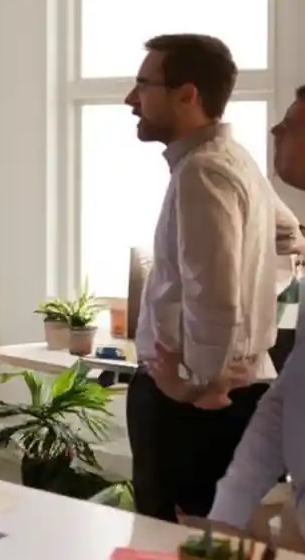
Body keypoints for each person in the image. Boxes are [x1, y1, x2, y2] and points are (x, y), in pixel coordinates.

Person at [126, 34, 303, 522]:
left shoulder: (201, 172)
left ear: (188, 95)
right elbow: (291, 237)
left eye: (143, 85)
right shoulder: (235, 159)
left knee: (175, 553)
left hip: (193, 407)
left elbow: (216, 298)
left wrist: (200, 386)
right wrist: (255, 300)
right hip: (223, 394)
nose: (130, 99)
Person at [175, 86, 305, 551]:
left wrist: (207, 377)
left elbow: (215, 294)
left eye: (293, 124)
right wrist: (225, 517)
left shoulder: (206, 168)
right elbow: (286, 400)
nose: (275, 129)